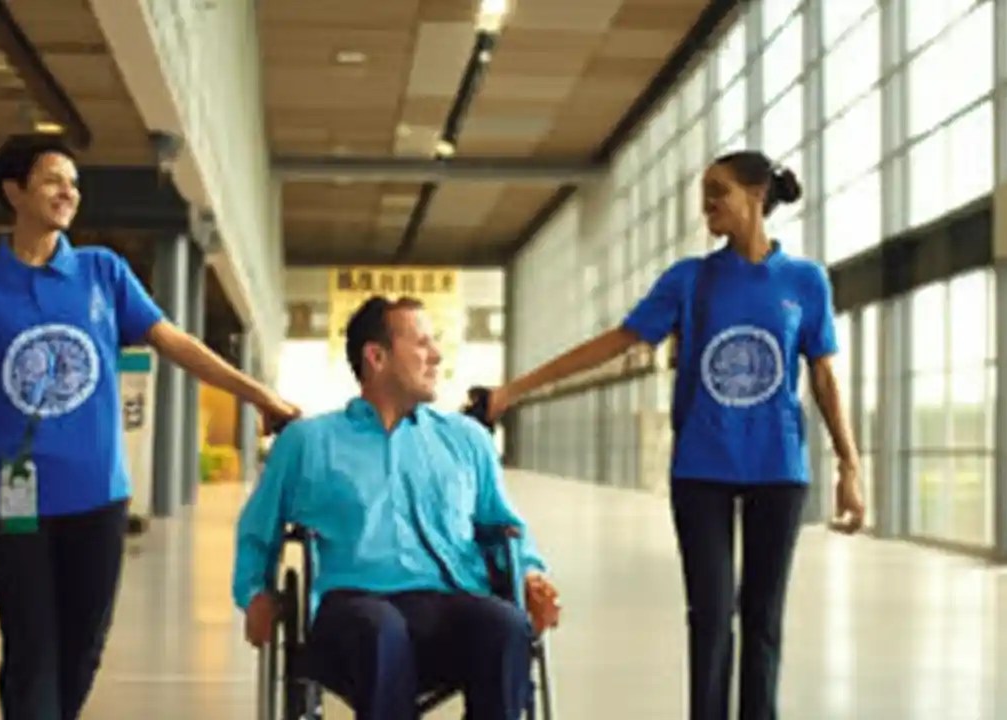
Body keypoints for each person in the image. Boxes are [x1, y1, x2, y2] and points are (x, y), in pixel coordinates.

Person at [0, 134, 300, 720]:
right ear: (14, 191)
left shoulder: (103, 272)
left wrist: (258, 395)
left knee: (81, 651)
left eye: (74, 184)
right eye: (53, 180)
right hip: (12, 501)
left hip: (98, 498)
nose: (68, 193)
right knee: (32, 649)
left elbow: (174, 341)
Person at [467, 150, 865, 720]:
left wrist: (850, 465)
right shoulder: (690, 279)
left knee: (763, 620)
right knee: (709, 616)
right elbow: (616, 342)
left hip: (778, 470)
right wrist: (514, 390)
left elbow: (823, 375)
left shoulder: (805, 282)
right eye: (703, 191)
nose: (706, 204)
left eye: (718, 191)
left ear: (757, 196)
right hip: (701, 470)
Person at [233, 295, 561, 720]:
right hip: (351, 608)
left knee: (503, 625)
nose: (437, 356)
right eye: (422, 343)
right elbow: (259, 530)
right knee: (380, 628)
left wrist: (532, 576)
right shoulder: (308, 442)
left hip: (447, 602)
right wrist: (255, 593)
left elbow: (506, 526)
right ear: (377, 357)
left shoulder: (466, 440)